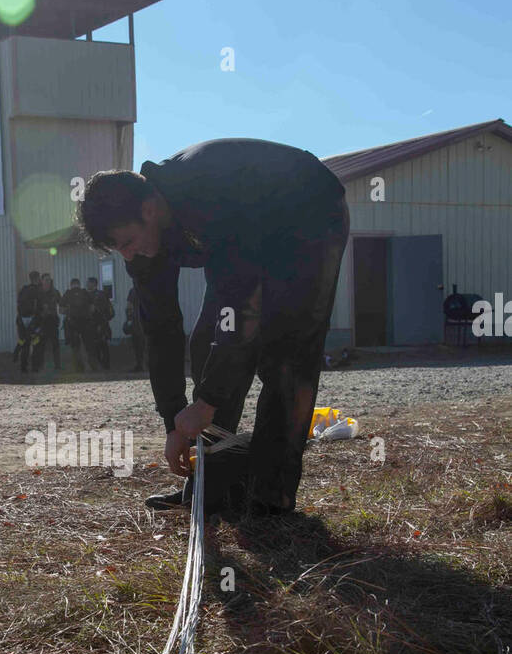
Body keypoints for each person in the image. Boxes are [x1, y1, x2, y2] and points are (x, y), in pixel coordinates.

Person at [76, 138, 349, 517]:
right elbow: (161, 330)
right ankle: (213, 487)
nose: (128, 255)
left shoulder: (208, 195)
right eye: (117, 248)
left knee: (287, 355)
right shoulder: (140, 244)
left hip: (306, 211)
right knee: (206, 343)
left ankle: (272, 495)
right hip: (247, 240)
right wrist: (175, 421)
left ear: (150, 209)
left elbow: (240, 305)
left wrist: (207, 402)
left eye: (128, 242)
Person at [31, 273, 62, 373]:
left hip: (52, 321)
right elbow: (33, 308)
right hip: (40, 322)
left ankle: (57, 366)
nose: (48, 282)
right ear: (42, 281)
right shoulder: (37, 293)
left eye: (49, 280)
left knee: (55, 345)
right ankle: (39, 367)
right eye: (46, 280)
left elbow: (62, 303)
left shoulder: (55, 292)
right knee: (39, 345)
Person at [60, 277, 91, 372]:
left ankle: (77, 367)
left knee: (74, 346)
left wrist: (68, 312)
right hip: (85, 322)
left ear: (71, 284)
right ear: (79, 284)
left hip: (72, 323)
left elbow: (61, 310)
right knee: (86, 345)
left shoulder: (67, 293)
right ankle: (88, 366)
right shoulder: (85, 292)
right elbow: (92, 307)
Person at [84, 277, 114, 371]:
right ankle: (99, 366)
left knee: (102, 345)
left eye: (89, 283)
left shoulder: (100, 295)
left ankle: (105, 366)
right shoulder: (85, 295)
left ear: (94, 284)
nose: (87, 285)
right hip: (89, 325)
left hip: (100, 324)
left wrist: (102, 320)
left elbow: (109, 311)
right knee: (93, 347)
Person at [15, 271, 40, 374]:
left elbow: (18, 303)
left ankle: (23, 367)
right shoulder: (37, 290)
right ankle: (34, 367)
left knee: (25, 343)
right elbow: (38, 306)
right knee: (36, 344)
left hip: (21, 319)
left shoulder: (24, 289)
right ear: (37, 278)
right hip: (32, 320)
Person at [124, 286, 146, 371]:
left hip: (137, 321)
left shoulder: (133, 291)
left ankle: (140, 364)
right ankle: (142, 364)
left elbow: (128, 306)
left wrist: (129, 318)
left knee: (138, 344)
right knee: (141, 344)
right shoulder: (135, 290)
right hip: (143, 321)